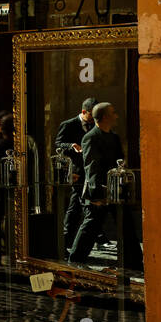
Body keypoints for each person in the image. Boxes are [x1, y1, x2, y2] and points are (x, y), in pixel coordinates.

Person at [68, 102, 140, 267]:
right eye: (113, 113)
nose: (116, 116)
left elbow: (119, 160)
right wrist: (97, 193)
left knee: (125, 223)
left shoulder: (113, 137)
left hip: (115, 189)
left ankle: (134, 261)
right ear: (105, 117)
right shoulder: (91, 138)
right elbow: (91, 166)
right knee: (91, 225)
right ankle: (75, 260)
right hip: (100, 190)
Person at [55, 97, 96, 253]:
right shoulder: (68, 124)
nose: (93, 119)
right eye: (91, 115)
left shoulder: (94, 124)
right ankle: (66, 240)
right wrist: (71, 146)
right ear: (84, 112)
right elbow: (58, 143)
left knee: (83, 205)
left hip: (90, 170)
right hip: (77, 171)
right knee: (76, 206)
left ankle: (73, 241)